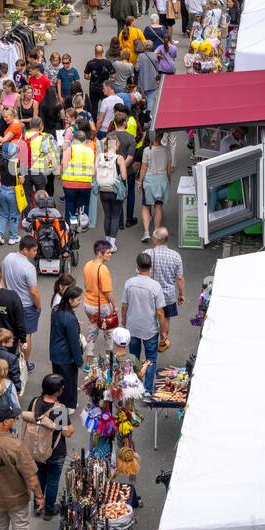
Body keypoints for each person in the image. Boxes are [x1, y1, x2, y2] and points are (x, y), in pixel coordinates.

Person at [25, 373, 74, 519]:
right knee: (53, 481)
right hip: (55, 450)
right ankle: (49, 509)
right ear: (58, 391)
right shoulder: (59, 409)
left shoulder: (35, 402)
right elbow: (67, 433)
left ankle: (37, 505)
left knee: (39, 476)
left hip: (36, 449)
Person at [122, 250, 169, 393]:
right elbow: (160, 312)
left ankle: (134, 386)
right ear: (151, 267)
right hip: (150, 329)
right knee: (151, 359)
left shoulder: (129, 283)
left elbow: (124, 305)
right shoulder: (155, 286)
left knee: (133, 358)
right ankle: (147, 389)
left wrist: (124, 321)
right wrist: (164, 332)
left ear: (137, 266)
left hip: (133, 327)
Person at [2, 235, 42, 370]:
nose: (36, 253)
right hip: (26, 306)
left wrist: (8, 291)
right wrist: (38, 306)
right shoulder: (29, 268)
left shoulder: (8, 257)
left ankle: (10, 360)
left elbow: (4, 275)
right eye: (34, 250)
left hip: (10, 302)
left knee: (12, 332)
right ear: (25, 250)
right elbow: (34, 292)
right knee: (26, 335)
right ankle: (24, 365)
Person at [49, 284, 85, 408]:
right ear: (70, 300)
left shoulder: (56, 309)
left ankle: (57, 401)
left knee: (58, 381)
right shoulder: (69, 318)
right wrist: (79, 361)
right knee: (69, 383)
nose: (80, 302)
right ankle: (67, 407)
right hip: (66, 357)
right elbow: (74, 343)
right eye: (79, 299)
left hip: (55, 352)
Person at [138, 130, 173, 240]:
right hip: (162, 179)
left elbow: (143, 168)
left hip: (149, 180)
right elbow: (169, 169)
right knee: (158, 206)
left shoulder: (147, 150)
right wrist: (169, 179)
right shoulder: (167, 150)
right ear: (162, 136)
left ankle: (146, 232)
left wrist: (140, 181)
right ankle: (156, 231)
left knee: (145, 206)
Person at [82, 239, 116, 355]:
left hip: (88, 304)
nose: (110, 254)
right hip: (101, 307)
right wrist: (114, 305)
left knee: (92, 331)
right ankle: (109, 358)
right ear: (99, 253)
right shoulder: (102, 269)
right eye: (108, 252)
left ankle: (89, 359)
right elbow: (107, 292)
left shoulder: (87, 265)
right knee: (108, 332)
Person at [60, 124, 97, 225]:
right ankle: (82, 224)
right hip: (85, 184)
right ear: (85, 140)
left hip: (69, 183)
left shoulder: (70, 149)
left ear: (74, 139)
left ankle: (70, 225)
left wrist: (61, 176)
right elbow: (93, 167)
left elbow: (63, 165)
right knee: (83, 205)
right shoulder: (90, 151)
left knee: (70, 205)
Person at [95, 133, 128, 244]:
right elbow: (124, 176)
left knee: (107, 215)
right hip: (115, 190)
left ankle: (107, 239)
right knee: (115, 216)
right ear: (116, 144)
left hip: (103, 189)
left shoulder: (99, 157)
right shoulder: (119, 158)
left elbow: (94, 173)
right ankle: (112, 244)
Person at [22, 116, 58, 200]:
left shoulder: (24, 136)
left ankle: (29, 213)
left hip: (26, 171)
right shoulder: (45, 137)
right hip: (39, 171)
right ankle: (40, 212)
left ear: (30, 124)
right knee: (41, 196)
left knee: (27, 197)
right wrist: (52, 169)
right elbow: (50, 157)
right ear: (41, 125)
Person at [0, 139, 22, 245]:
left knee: (3, 214)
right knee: (14, 214)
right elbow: (22, 180)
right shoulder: (18, 164)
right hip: (13, 191)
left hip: (2, 190)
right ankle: (13, 236)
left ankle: (0, 234)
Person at [83, 43, 116, 117]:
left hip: (93, 88)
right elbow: (113, 75)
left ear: (95, 52)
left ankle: (93, 122)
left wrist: (90, 78)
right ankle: (105, 120)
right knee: (106, 105)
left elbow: (85, 76)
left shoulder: (90, 63)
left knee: (93, 107)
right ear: (103, 52)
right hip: (105, 88)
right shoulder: (107, 63)